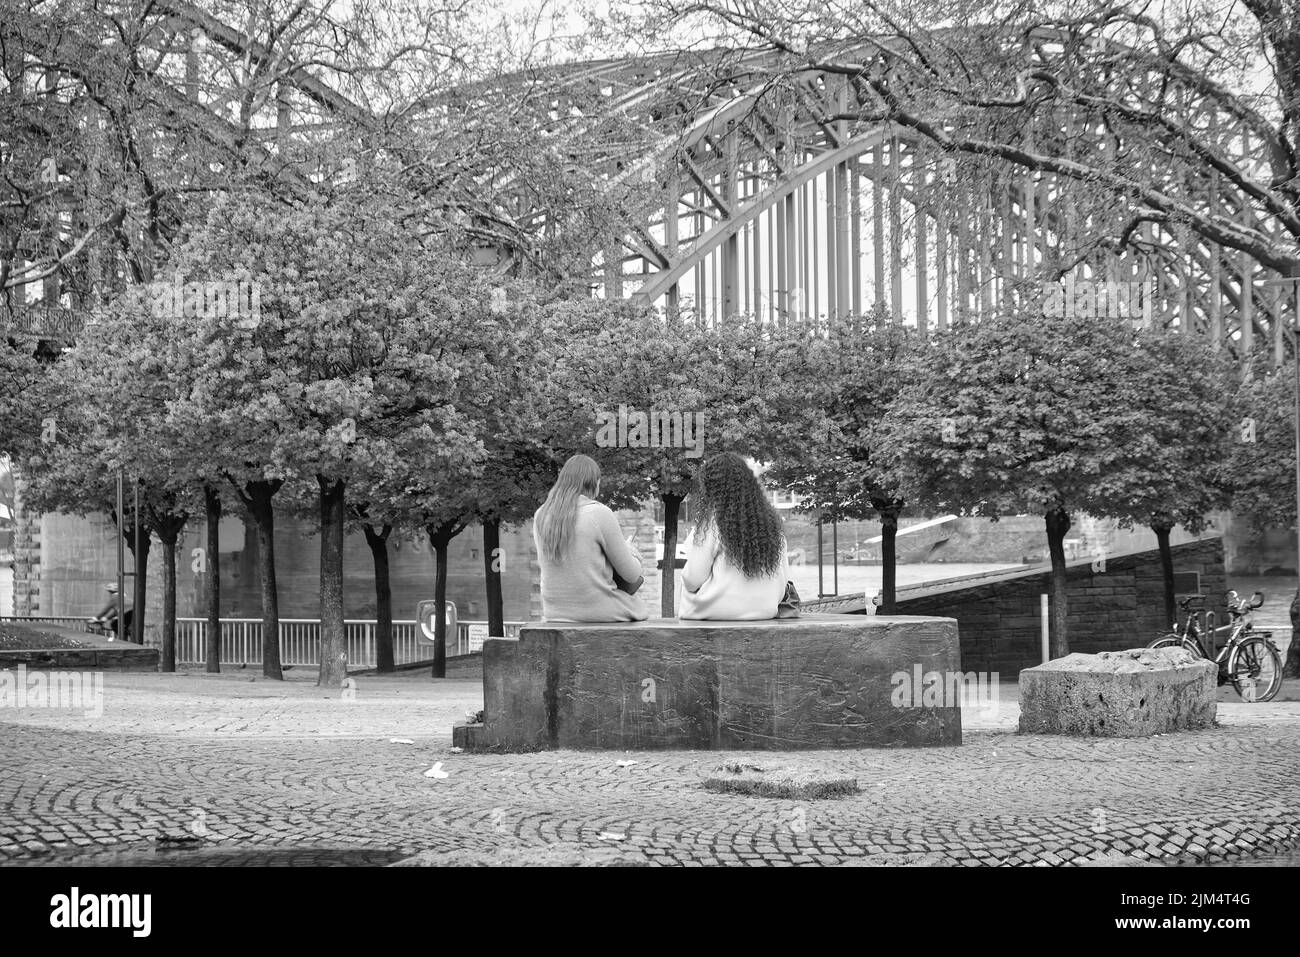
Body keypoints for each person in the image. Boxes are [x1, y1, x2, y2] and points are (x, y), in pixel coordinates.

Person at [534, 454, 649, 622]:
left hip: (555, 612)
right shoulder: (599, 514)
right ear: (593, 482)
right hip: (596, 610)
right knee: (640, 608)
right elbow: (631, 575)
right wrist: (631, 553)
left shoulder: (540, 515)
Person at [679, 452, 789, 620]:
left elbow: (693, 580)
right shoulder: (772, 523)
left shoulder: (712, 522)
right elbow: (784, 578)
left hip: (719, 611)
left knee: (685, 582)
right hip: (765, 610)